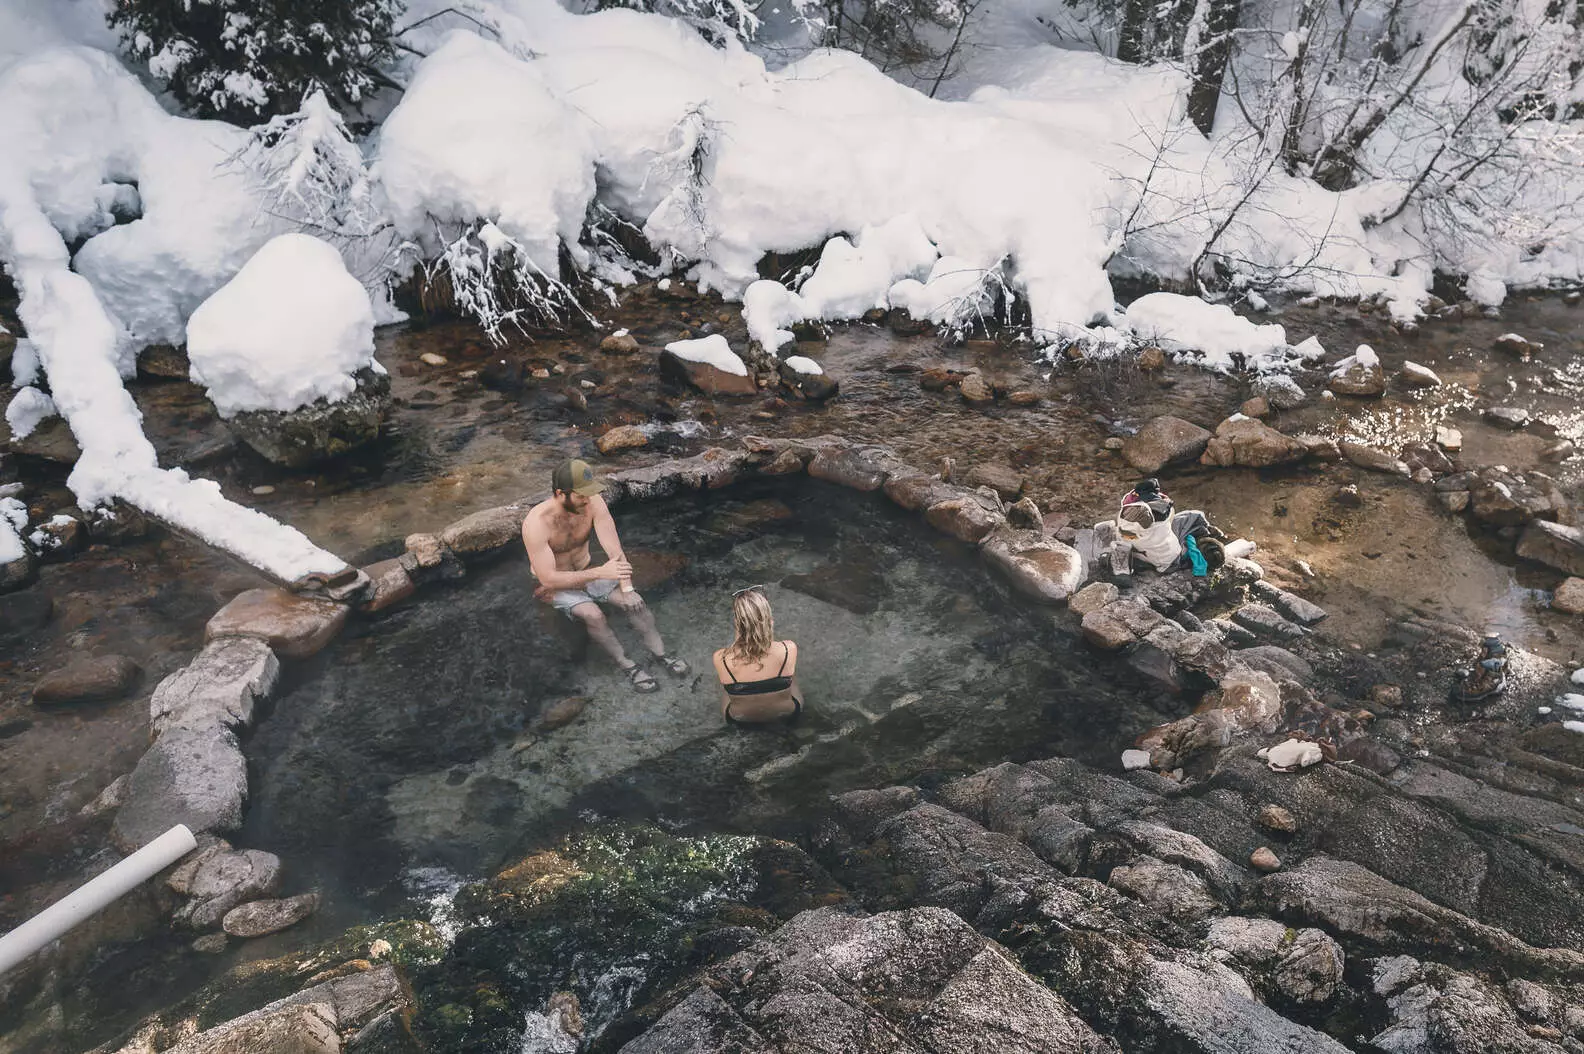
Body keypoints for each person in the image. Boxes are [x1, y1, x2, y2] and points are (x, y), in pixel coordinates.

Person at [523, 458, 689, 693]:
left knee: (636, 604)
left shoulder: (592, 503)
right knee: (594, 615)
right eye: (581, 495)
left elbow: (613, 549)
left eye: (589, 494)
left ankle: (661, 653)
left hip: (588, 570)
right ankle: (627, 665)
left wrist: (628, 588)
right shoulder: (536, 524)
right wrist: (601, 572)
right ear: (561, 493)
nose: (587, 499)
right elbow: (548, 579)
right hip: (555, 585)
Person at [712, 586, 803, 725]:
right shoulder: (788, 649)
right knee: (791, 679)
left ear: (737, 623)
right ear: (768, 618)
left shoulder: (721, 658)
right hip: (787, 715)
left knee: (725, 688)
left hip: (740, 720)